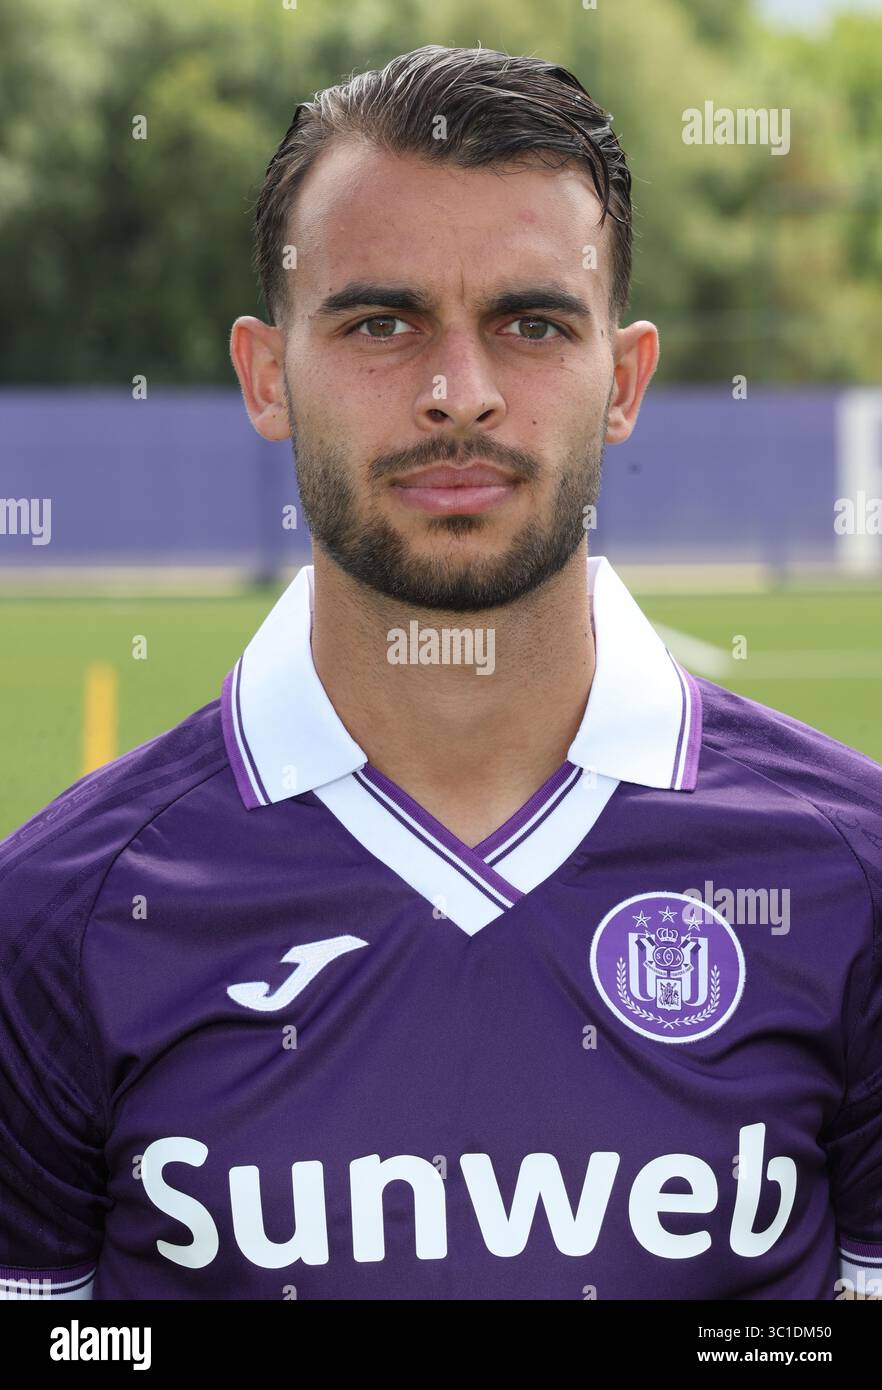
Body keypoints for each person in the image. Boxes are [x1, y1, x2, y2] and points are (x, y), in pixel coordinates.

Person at [1, 45, 880, 1302]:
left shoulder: (852, 875)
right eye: (379, 322)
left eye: (530, 324)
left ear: (623, 380)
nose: (456, 394)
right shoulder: (52, 917)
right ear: (267, 376)